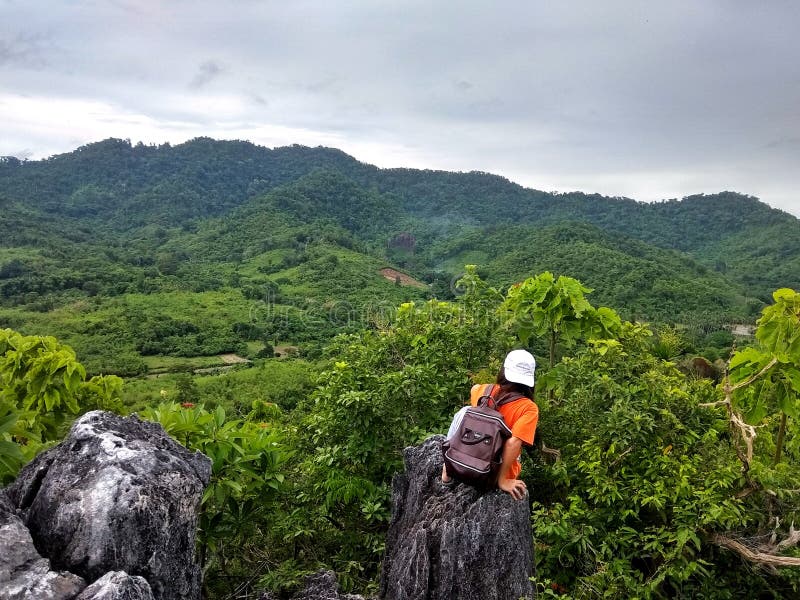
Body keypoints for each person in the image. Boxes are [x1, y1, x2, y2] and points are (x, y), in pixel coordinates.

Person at [442, 349, 539, 501]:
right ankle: (500, 478)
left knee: (465, 411)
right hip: (489, 474)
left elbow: (474, 388)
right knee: (467, 412)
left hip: (464, 461)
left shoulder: (485, 391)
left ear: (504, 371)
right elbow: (513, 443)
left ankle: (447, 468)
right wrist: (502, 481)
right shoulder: (528, 408)